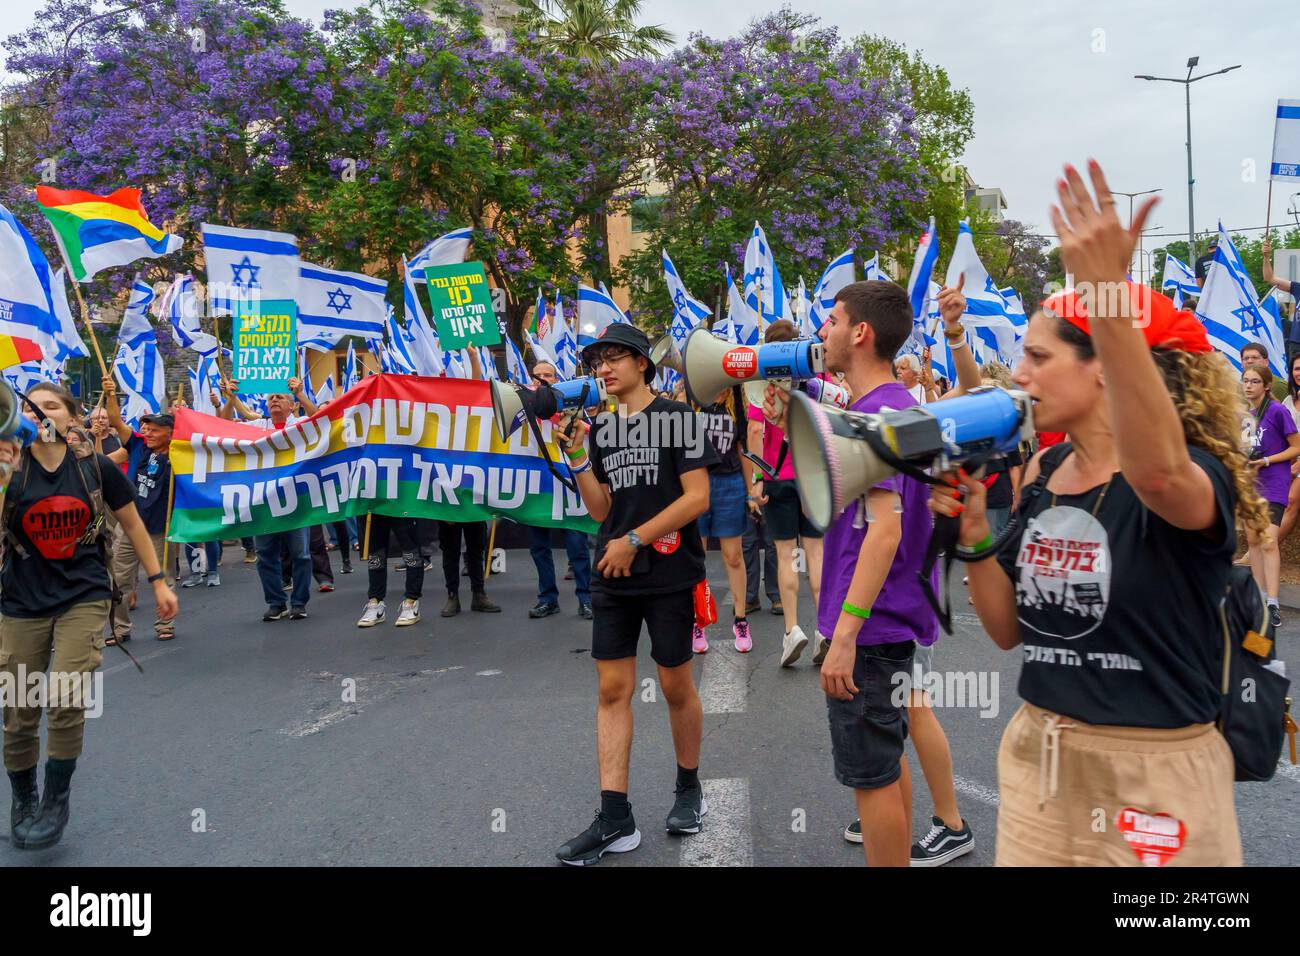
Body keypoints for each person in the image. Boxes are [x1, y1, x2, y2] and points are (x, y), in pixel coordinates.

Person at [935, 160, 1263, 866]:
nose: (1017, 374)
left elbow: (1154, 474)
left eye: (1036, 356)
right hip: (1039, 762)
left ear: (1105, 368)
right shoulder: (1047, 472)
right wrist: (973, 535)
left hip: (1157, 782)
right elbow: (1005, 632)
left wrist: (1106, 294)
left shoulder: (1192, 477)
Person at [766, 278, 968, 867]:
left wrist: (845, 633)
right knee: (887, 763)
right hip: (891, 622)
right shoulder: (902, 409)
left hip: (872, 629)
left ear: (860, 333)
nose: (821, 331)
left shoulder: (878, 415)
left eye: (831, 319)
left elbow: (886, 529)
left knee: (873, 780)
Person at [553, 323, 716, 865]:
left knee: (674, 686)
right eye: (598, 360)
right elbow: (600, 510)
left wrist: (635, 539)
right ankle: (615, 817)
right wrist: (576, 458)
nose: (604, 367)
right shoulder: (599, 430)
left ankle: (689, 788)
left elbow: (697, 499)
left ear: (642, 363)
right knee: (612, 690)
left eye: (616, 357)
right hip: (613, 572)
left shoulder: (677, 418)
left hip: (667, 572)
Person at [2, 383, 178, 850]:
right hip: (20, 598)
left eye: (51, 406)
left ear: (73, 416)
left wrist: (158, 579)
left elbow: (133, 524)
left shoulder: (94, 468)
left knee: (65, 693)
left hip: (83, 593)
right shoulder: (10, 470)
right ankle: (25, 797)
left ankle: (56, 799)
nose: (38, 414)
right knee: (18, 710)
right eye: (28, 408)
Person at [747, 320, 823, 668]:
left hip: (777, 477)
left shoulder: (761, 386)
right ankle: (824, 628)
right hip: (811, 476)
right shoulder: (812, 384)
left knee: (786, 554)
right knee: (815, 553)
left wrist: (756, 480)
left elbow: (756, 430)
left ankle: (792, 628)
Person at [217, 378, 316, 621]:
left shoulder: (300, 424)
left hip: (295, 499)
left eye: (280, 397)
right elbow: (224, 424)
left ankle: (299, 602)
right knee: (265, 555)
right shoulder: (258, 426)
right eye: (271, 397)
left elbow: (321, 418)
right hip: (263, 501)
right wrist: (231, 398)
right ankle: (276, 602)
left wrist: (301, 394)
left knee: (300, 554)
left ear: (291, 406)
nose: (274, 400)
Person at [101, 381, 177, 643]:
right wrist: (111, 393)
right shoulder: (137, 446)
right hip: (128, 525)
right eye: (147, 428)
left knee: (163, 578)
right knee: (120, 579)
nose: (149, 432)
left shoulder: (180, 454)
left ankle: (164, 624)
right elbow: (115, 420)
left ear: (169, 432)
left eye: (155, 430)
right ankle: (119, 629)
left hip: (161, 527)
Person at [524, 360, 592, 621]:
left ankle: (585, 598)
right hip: (535, 488)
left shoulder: (573, 407)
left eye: (547, 375)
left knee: (577, 545)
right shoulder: (523, 409)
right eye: (537, 375)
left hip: (568, 488)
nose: (541, 379)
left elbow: (591, 433)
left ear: (557, 379)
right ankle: (547, 599)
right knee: (538, 548)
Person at [690, 381, 754, 653]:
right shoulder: (692, 396)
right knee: (696, 557)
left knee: (733, 556)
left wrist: (751, 491)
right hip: (697, 481)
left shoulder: (737, 401)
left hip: (730, 482)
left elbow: (743, 449)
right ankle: (697, 621)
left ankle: (740, 619)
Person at [439, 348, 501, 618]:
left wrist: (474, 358)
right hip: (446, 495)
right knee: (450, 549)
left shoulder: (470, 415)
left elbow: (475, 388)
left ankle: (479, 593)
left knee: (476, 547)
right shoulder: (435, 424)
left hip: (472, 493)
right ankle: (452, 595)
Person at [1240, 364, 1299, 627]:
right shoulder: (1244, 415)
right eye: (1245, 380)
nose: (1248, 385)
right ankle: (1259, 597)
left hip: (1275, 483)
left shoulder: (1278, 411)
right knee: (1253, 540)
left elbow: (1296, 447)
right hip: (1251, 485)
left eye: (1254, 381)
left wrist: (1266, 461)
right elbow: (1245, 450)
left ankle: (1273, 603)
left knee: (1268, 541)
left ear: (1266, 386)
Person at [357, 513, 426, 628]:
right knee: (375, 554)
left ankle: (411, 601)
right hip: (374, 502)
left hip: (401, 501)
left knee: (410, 550)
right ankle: (375, 602)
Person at [1262, 235, 1300, 371]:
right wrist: (1266, 257)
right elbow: (1269, 278)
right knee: (1294, 381)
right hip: (1295, 344)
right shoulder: (1298, 288)